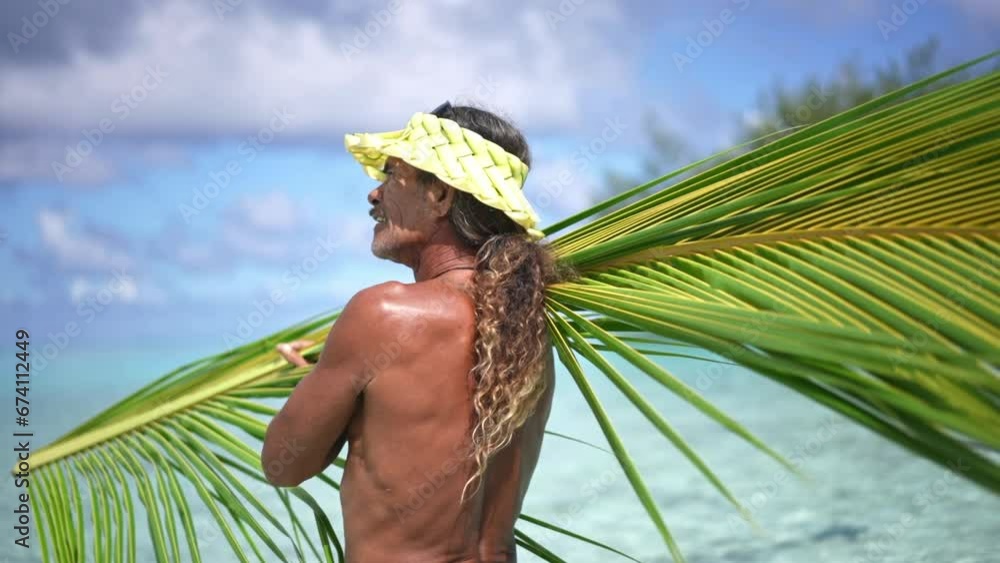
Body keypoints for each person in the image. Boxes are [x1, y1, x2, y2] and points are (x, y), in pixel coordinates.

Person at [260, 102, 564, 562]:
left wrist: (320, 380)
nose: (374, 195)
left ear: (440, 195)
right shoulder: (527, 325)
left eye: (390, 176)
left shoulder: (382, 313)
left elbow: (283, 464)